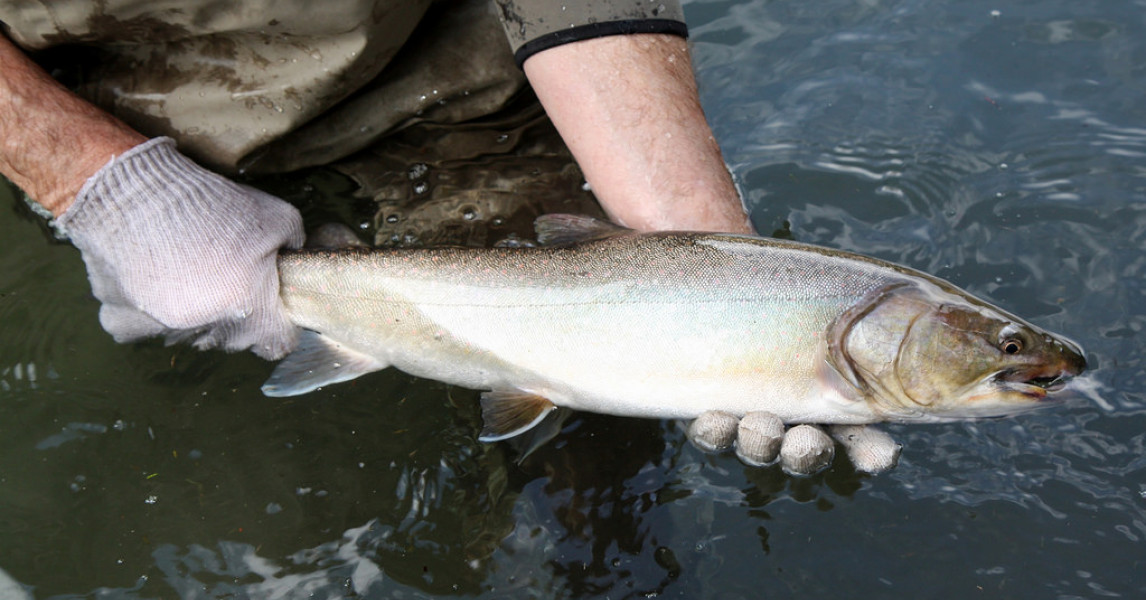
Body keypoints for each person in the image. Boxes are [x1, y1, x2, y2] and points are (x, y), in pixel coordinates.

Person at [0, 0, 898, 474]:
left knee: (600, 464)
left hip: (445, 70)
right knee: (184, 385)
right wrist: (94, 182)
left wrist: (696, 238)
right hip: (88, 93)